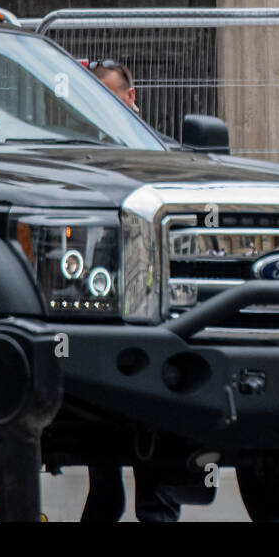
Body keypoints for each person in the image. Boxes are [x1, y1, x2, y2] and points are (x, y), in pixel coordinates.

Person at [84, 57, 180, 522]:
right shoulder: (77, 154)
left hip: (158, 313)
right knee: (102, 448)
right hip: (103, 308)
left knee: (156, 441)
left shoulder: (160, 153)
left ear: (130, 98)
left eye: (109, 97)